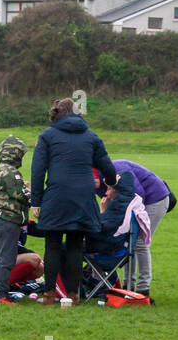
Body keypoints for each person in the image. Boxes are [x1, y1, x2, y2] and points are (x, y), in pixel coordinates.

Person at [29, 97, 117, 305]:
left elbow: (38, 170)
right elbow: (107, 166)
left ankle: (49, 295)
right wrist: (112, 182)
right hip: (83, 198)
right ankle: (73, 295)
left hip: (56, 196)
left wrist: (36, 201)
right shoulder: (91, 136)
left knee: (52, 245)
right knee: (75, 246)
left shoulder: (47, 136)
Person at [96, 159, 172, 301]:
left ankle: (143, 288)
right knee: (128, 241)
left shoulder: (116, 171)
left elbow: (138, 196)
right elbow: (110, 200)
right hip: (135, 201)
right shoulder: (95, 182)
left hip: (154, 199)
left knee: (138, 242)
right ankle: (128, 285)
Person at [0, 135, 31, 305]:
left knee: (5, 258)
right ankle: (0, 296)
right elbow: (22, 197)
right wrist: (30, 190)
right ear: (15, 154)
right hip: (8, 220)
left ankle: (2, 293)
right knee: (7, 260)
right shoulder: (12, 173)